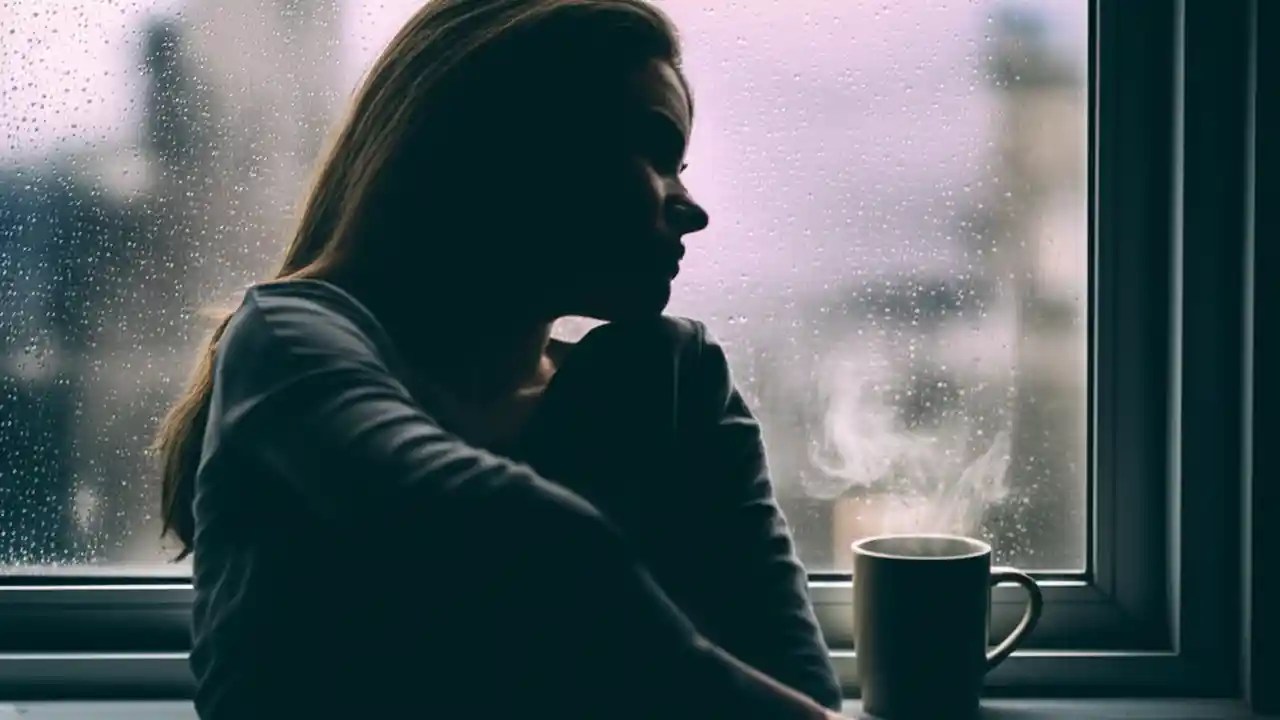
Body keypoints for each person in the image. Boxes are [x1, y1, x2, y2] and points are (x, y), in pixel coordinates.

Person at [153, 0, 846, 717]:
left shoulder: (674, 384)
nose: (691, 208)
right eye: (655, 151)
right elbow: (532, 550)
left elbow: (792, 676)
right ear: (513, 145)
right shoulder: (288, 344)